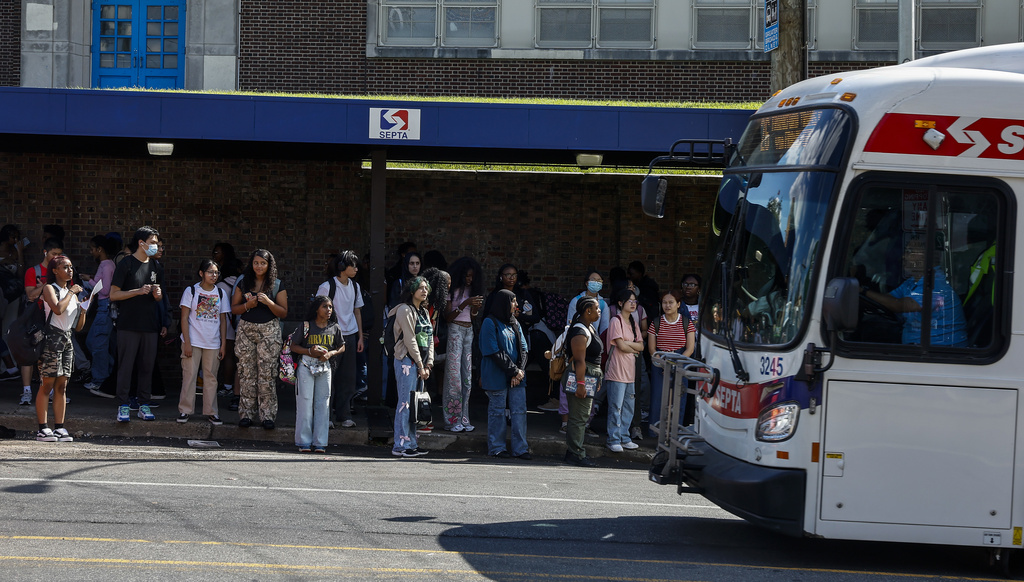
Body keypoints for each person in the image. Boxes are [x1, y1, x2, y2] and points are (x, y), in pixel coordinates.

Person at [863, 234, 967, 347]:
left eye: (910, 252)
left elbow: (900, 305)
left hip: (940, 349)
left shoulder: (935, 283)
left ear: (927, 256)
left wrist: (864, 291)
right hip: (920, 347)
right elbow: (889, 299)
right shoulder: (912, 282)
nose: (904, 256)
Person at [110, 226, 164, 422]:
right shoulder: (126, 264)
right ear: (141, 243)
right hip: (128, 324)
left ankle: (144, 404)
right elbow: (113, 294)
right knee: (126, 366)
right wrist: (137, 291)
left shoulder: (156, 266)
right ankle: (123, 405)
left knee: (147, 366)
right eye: (153, 243)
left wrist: (158, 295)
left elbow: (160, 298)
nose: (156, 246)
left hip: (149, 325)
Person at [231, 249, 288, 429]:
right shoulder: (244, 282)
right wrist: (248, 305)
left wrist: (269, 302)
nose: (259, 266)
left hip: (269, 332)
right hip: (246, 330)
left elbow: (283, 312)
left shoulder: (277, 284)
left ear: (269, 265)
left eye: (263, 263)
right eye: (256, 263)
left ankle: (267, 416)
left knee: (267, 374)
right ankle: (246, 414)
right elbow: (234, 308)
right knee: (246, 373)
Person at [35, 255, 87, 442]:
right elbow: (57, 309)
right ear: (55, 271)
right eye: (65, 267)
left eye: (71, 267)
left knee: (62, 385)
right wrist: (72, 292)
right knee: (47, 384)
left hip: (67, 339)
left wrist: (83, 310)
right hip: (52, 339)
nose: (70, 270)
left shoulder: (71, 294)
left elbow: (78, 327)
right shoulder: (50, 288)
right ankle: (43, 428)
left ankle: (59, 427)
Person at [177, 259, 230, 425]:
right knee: (189, 376)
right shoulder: (191, 291)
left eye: (216, 272)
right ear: (201, 273)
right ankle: (185, 410)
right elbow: (184, 318)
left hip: (213, 342)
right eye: (210, 272)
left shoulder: (221, 293)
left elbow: (223, 320)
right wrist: (186, 342)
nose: (214, 275)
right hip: (193, 341)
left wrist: (223, 344)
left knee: (211, 378)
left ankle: (212, 412)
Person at [479, 288, 530, 459]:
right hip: (496, 374)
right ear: (504, 303)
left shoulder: (515, 323)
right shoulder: (489, 322)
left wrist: (519, 371)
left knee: (519, 411)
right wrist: (514, 371)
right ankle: (497, 447)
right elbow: (494, 351)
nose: (516, 304)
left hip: (517, 377)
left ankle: (520, 448)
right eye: (513, 301)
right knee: (497, 412)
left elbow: (524, 349)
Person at [315, 250, 364, 428]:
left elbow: (357, 311)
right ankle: (325, 416)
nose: (356, 269)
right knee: (328, 377)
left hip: (350, 335)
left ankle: (344, 416)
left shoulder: (355, 286)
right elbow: (317, 312)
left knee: (348, 379)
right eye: (353, 265)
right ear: (342, 266)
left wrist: (360, 337)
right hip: (330, 336)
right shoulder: (327, 286)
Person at [292, 296, 345, 454]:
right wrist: (309, 351)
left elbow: (342, 346)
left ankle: (320, 442)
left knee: (323, 404)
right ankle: (304, 442)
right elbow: (293, 346)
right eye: (325, 306)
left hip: (325, 365)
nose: (329, 310)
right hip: (306, 364)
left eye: (330, 307)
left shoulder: (334, 327)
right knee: (305, 402)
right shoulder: (306, 326)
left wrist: (330, 353)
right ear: (316, 309)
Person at [389, 276, 433, 458]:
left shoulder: (424, 312)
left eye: (426, 288)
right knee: (405, 403)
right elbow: (409, 339)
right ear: (412, 290)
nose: (424, 291)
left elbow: (430, 338)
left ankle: (412, 443)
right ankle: (400, 445)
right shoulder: (404, 310)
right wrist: (421, 365)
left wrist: (429, 363)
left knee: (415, 405)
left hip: (421, 364)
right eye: (420, 287)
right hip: (406, 362)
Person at [18, 238, 65, 406]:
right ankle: (27, 391)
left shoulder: (62, 270)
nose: (57, 257)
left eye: (60, 255)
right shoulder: (33, 271)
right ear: (45, 252)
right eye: (54, 254)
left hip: (54, 316)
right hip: (35, 316)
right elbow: (31, 295)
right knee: (29, 353)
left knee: (49, 354)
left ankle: (49, 391)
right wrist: (46, 286)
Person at [647, 289, 696, 436]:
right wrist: (663, 362)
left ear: (678, 304)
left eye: (671, 302)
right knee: (658, 397)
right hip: (659, 362)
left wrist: (675, 363)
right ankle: (656, 432)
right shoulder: (656, 322)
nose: (667, 306)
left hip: (680, 361)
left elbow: (690, 349)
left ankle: (675, 432)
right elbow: (652, 348)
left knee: (678, 397)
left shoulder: (687, 322)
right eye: (664, 302)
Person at [442, 257, 483, 432]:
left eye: (472, 276)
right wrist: (465, 303)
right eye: (466, 276)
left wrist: (475, 308)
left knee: (467, 378)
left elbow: (472, 317)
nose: (469, 279)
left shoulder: (472, 290)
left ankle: (464, 418)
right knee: (454, 378)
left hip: (468, 331)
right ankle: (452, 420)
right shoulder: (452, 291)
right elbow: (447, 317)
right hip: (455, 330)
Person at [563, 297, 602, 467]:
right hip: (581, 377)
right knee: (578, 417)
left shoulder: (589, 327)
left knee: (581, 415)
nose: (599, 311)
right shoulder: (579, 331)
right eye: (597, 308)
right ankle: (576, 453)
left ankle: (573, 451)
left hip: (589, 377)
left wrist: (596, 379)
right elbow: (579, 361)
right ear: (588, 311)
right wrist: (581, 384)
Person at [605, 288, 643, 452]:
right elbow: (620, 345)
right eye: (630, 301)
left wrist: (630, 346)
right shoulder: (616, 321)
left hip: (630, 372)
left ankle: (624, 437)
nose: (633, 304)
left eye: (635, 301)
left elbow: (641, 346)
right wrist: (633, 348)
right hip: (616, 371)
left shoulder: (634, 323)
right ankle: (613, 439)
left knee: (628, 407)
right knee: (616, 407)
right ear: (620, 303)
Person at [82, 235, 118, 396]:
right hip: (103, 308)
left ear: (100, 249)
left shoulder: (107, 265)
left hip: (105, 307)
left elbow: (105, 290)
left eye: (92, 249)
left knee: (98, 345)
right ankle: (109, 372)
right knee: (92, 342)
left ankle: (100, 380)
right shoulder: (106, 264)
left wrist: (89, 280)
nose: (91, 252)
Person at [213, 242, 242, 407]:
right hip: (239, 323)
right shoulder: (242, 282)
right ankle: (233, 387)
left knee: (228, 355)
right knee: (236, 357)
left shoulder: (221, 285)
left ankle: (228, 386)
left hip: (227, 323)